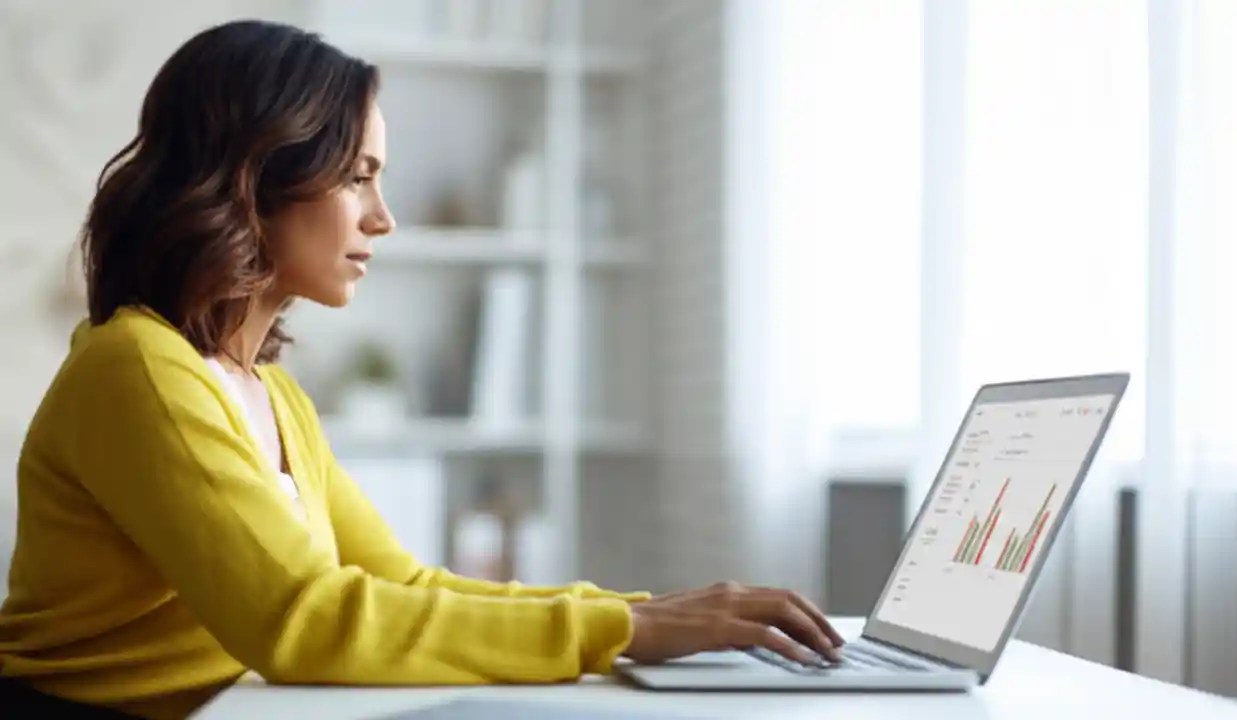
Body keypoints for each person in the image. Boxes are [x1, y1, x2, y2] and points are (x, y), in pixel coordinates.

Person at [0, 20, 843, 719]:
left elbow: (395, 585)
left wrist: (639, 613)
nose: (385, 216)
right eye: (359, 177)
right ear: (259, 178)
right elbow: (305, 623)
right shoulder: (138, 367)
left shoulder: (269, 392)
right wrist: (621, 635)